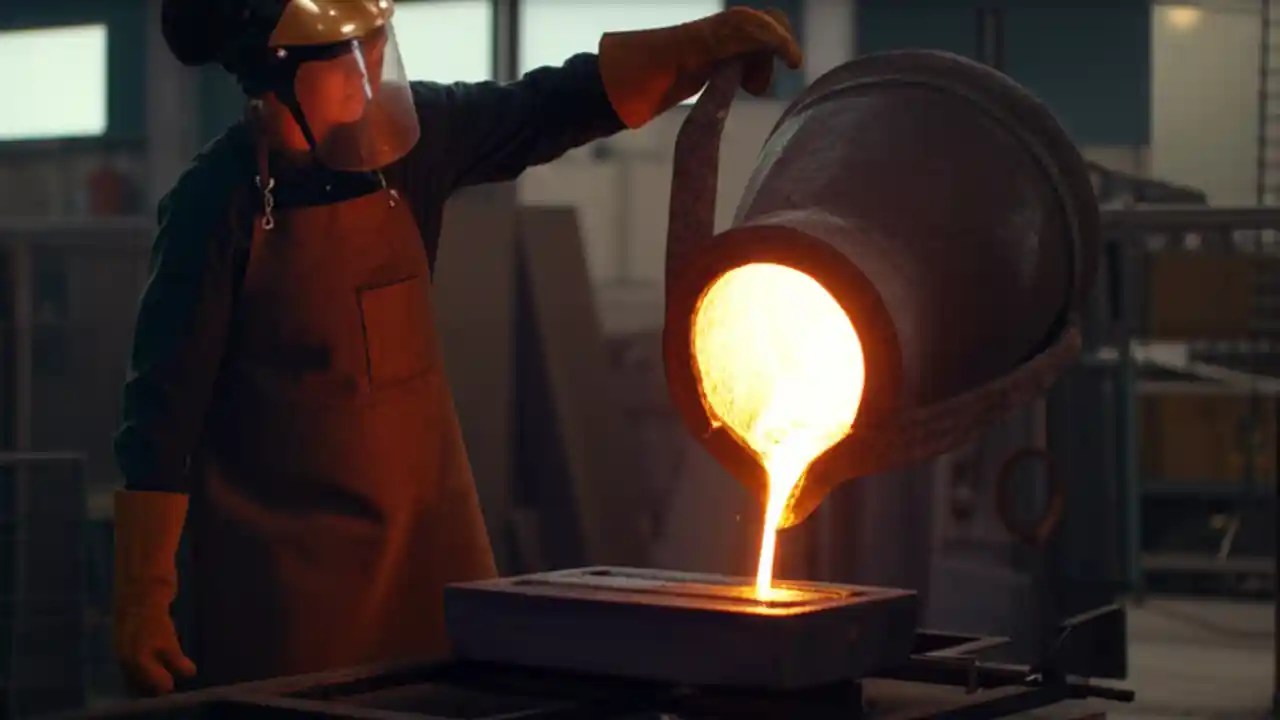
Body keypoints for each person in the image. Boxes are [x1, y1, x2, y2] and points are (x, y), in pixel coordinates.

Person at [112, 0, 802, 698]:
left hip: (427, 560)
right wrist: (144, 599)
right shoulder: (213, 205)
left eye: (377, 44)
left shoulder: (411, 149)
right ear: (274, 71)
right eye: (348, 53)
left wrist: (698, 46)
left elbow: (549, 105)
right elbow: (162, 419)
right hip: (290, 591)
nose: (371, 70)